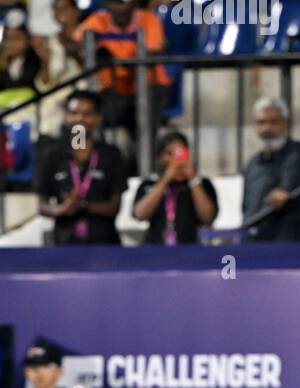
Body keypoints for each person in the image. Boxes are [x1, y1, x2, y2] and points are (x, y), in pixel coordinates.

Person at [35, 89, 127, 246]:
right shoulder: (52, 155)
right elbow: (42, 205)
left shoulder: (111, 155)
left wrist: (82, 206)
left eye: (86, 114)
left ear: (97, 119)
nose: (80, 119)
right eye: (74, 113)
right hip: (65, 244)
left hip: (104, 244)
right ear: (66, 117)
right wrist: (62, 209)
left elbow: (114, 207)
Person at [74, 0, 168, 132]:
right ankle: (99, 150)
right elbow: (77, 43)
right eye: (114, 2)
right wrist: (92, 49)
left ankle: (146, 151)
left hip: (147, 86)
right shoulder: (97, 20)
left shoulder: (148, 19)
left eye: (123, 2)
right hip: (113, 88)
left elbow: (151, 51)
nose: (119, 7)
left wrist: (113, 58)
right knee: (93, 110)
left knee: (148, 110)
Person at [241, 96, 300, 243]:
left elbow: (291, 182)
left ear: (285, 125)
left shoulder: (296, 151)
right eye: (261, 122)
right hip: (254, 246)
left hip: (287, 247)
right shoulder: (253, 163)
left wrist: (284, 191)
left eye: (273, 122)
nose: (267, 128)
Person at [132, 130, 217, 245]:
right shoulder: (149, 184)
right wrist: (165, 180)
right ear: (160, 157)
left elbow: (208, 218)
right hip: (155, 250)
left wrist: (192, 179)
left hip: (189, 250)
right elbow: (140, 214)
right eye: (170, 154)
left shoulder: (201, 184)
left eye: (180, 153)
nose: (176, 160)